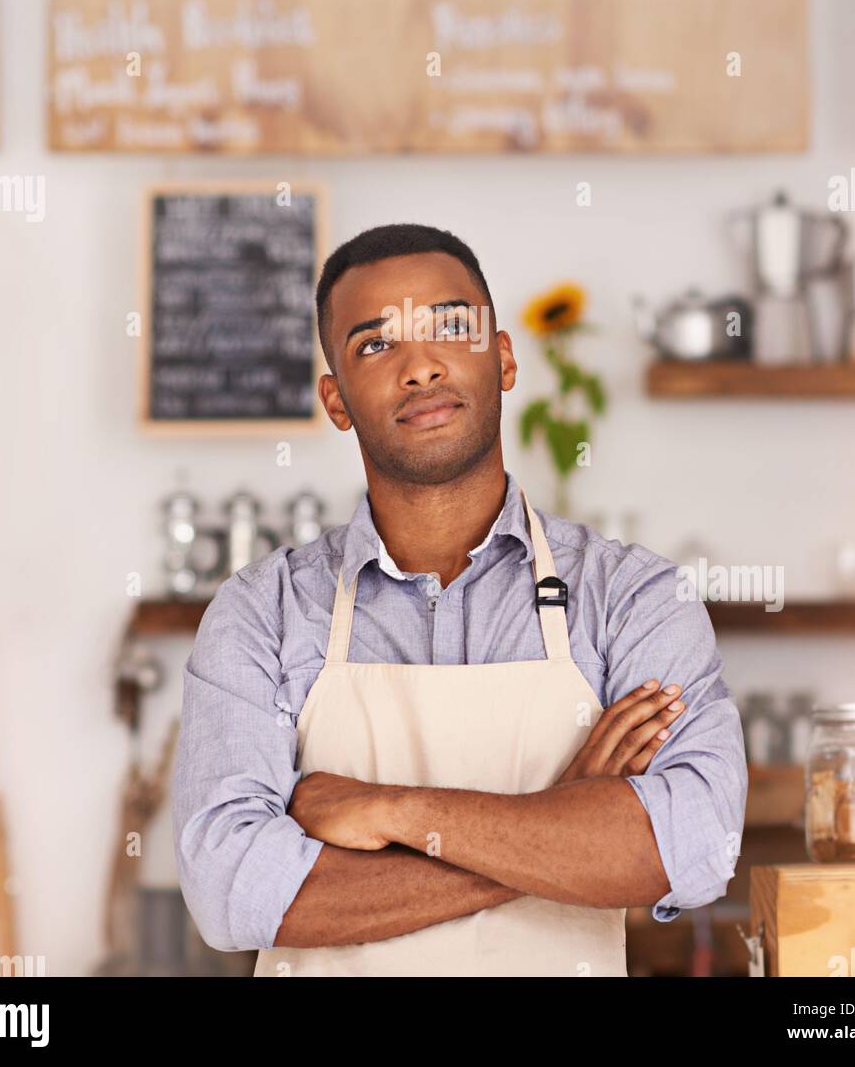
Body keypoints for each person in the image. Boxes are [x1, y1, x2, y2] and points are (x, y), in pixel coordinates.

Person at [173, 223, 747, 976]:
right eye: (375, 345)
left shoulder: (632, 597)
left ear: (503, 358)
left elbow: (693, 844)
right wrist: (563, 817)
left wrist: (390, 810)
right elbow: (230, 893)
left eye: (450, 327)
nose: (420, 367)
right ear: (335, 400)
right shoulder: (262, 613)